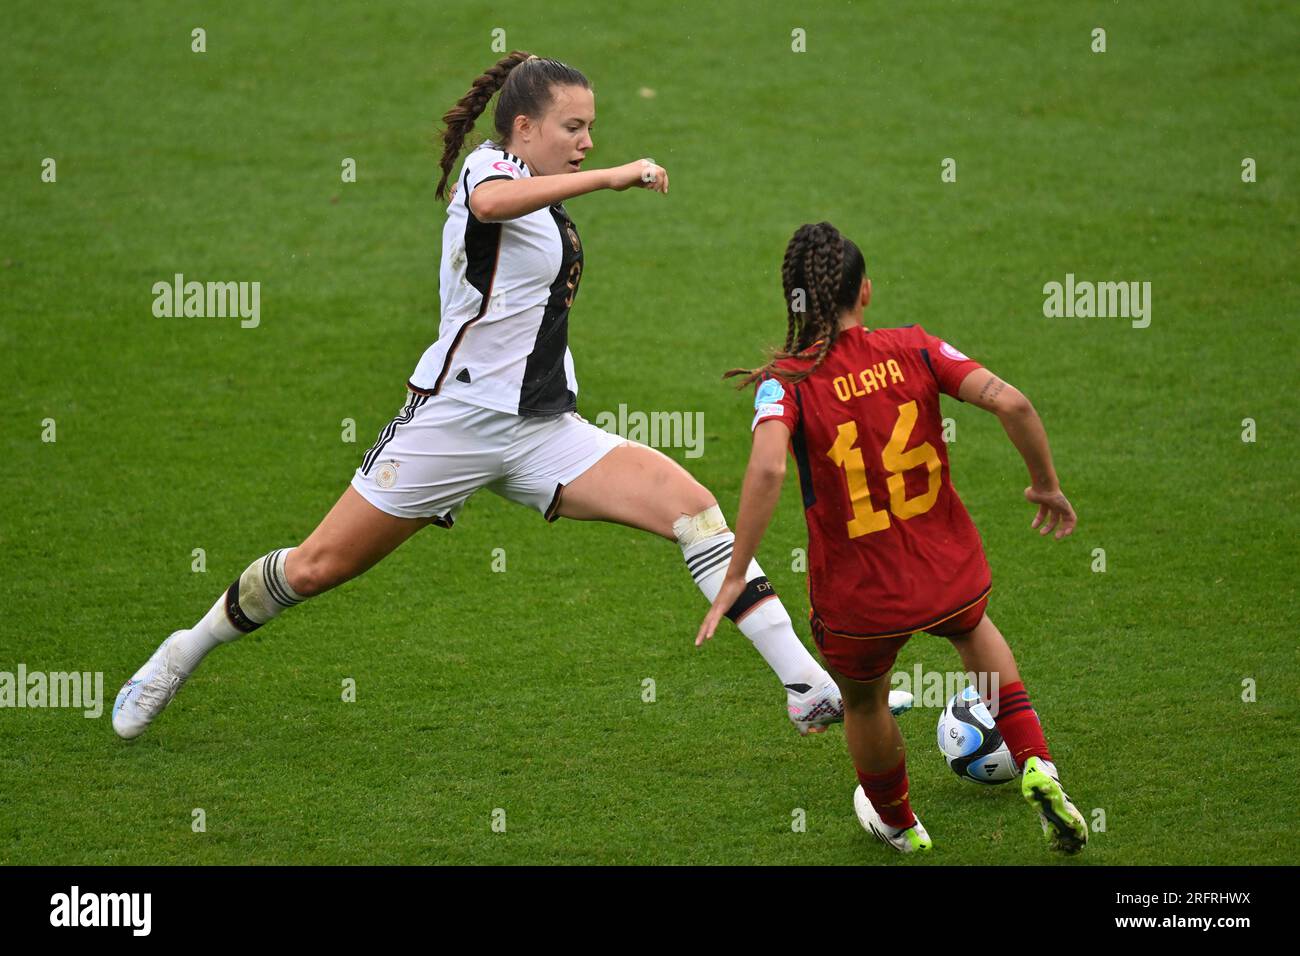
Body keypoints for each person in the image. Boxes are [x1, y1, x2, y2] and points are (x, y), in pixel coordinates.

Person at [113, 55, 891, 741]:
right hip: (452, 424)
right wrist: (613, 177)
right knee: (316, 568)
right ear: (524, 127)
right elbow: (487, 207)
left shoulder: (535, 188)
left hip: (543, 431)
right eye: (574, 127)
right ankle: (185, 649)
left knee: (693, 509)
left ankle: (802, 684)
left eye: (592, 131)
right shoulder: (488, 174)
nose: (587, 141)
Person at [697, 221, 1088, 854]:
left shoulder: (785, 383)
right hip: (946, 568)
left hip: (861, 598)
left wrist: (738, 570)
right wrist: (1045, 484)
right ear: (866, 292)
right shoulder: (917, 348)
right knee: (973, 632)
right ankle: (1037, 763)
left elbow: (768, 467)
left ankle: (901, 822)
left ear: (794, 300)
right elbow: (1012, 403)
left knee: (865, 703)